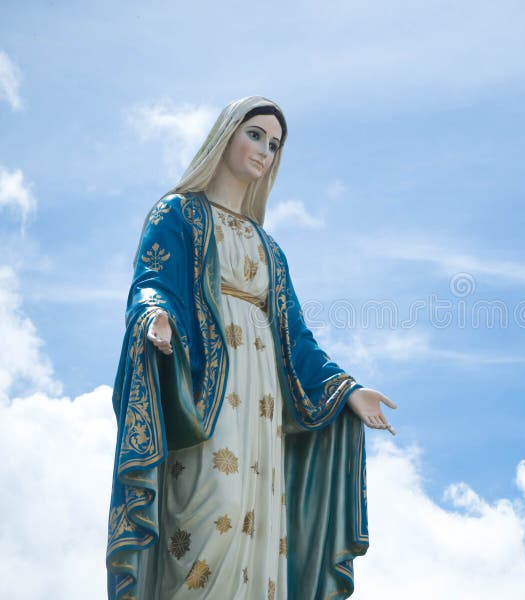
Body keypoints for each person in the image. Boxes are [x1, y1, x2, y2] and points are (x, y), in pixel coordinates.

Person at [106, 95, 396, 599]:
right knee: (214, 508)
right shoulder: (178, 211)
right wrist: (156, 316)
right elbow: (153, 278)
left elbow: (298, 341)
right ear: (227, 135)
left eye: (275, 145)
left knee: (257, 523)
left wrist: (348, 390)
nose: (265, 150)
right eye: (256, 134)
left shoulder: (270, 249)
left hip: (263, 400)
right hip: (207, 389)